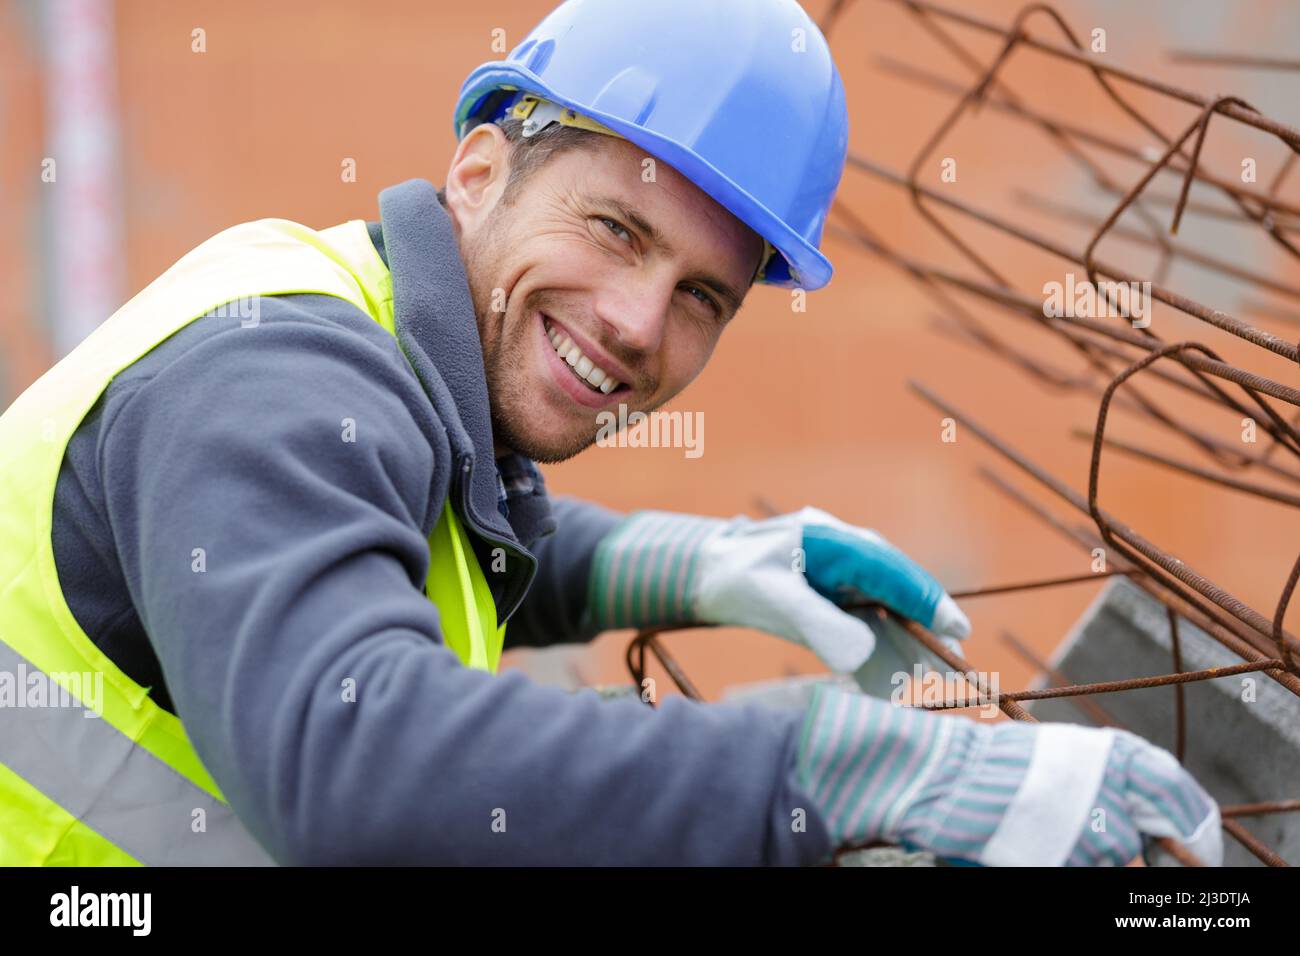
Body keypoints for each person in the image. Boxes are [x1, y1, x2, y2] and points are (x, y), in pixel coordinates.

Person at [0, 0, 1221, 866]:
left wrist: (666, 564)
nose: (640, 324)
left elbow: (381, 519)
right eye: (617, 230)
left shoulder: (362, 328)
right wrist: (835, 764)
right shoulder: (271, 373)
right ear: (480, 169)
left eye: (702, 297)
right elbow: (350, 761)